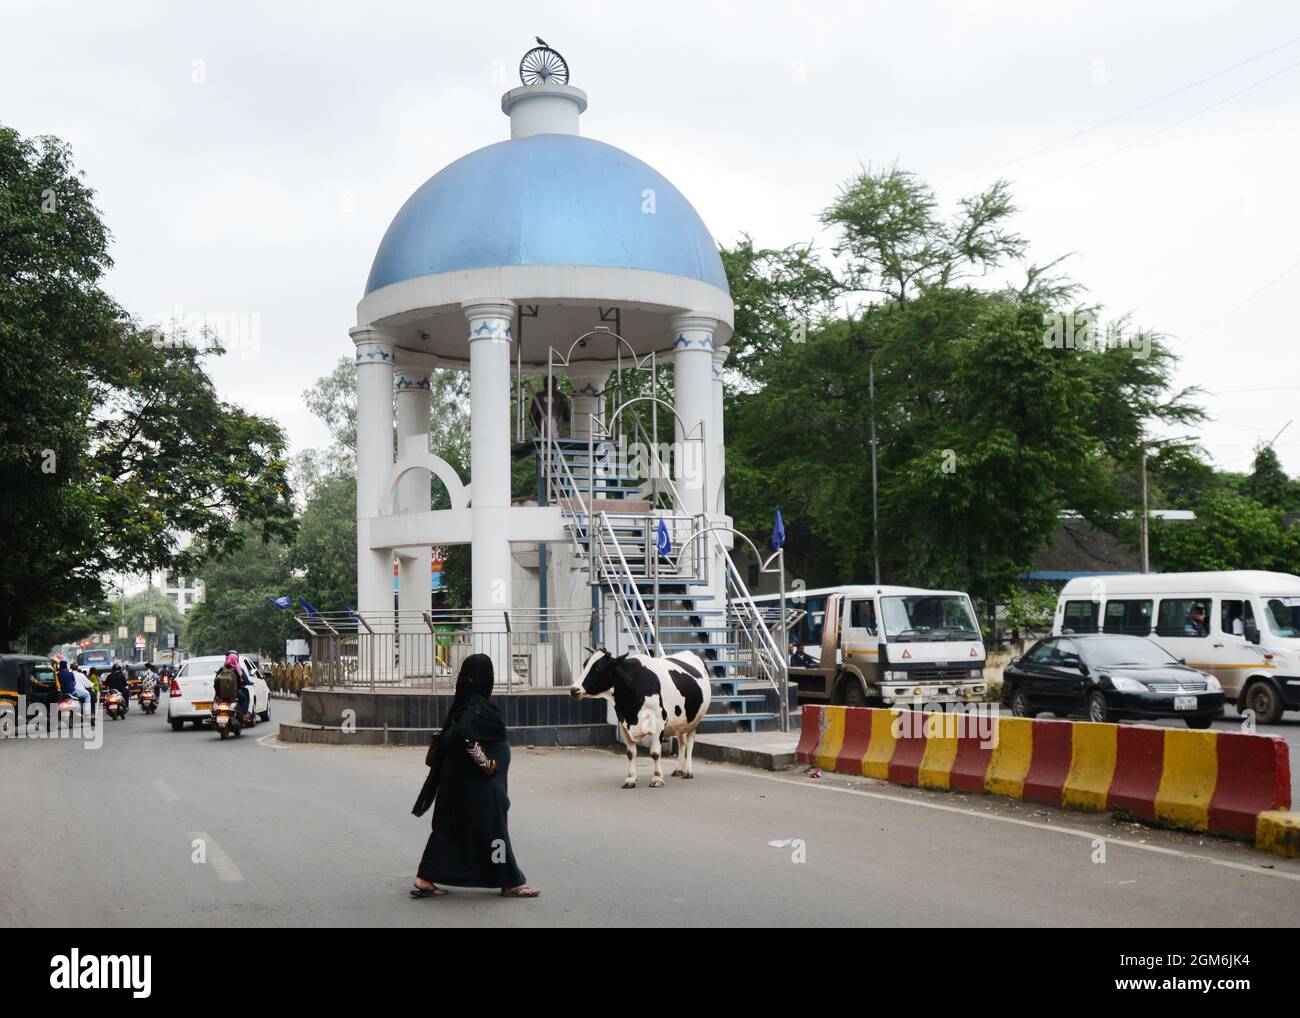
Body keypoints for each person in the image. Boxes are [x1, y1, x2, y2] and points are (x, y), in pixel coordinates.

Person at [410, 654, 539, 899]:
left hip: (454, 779)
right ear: (485, 678)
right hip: (478, 783)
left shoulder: (464, 704)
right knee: (495, 828)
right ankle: (509, 881)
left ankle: (425, 878)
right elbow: (465, 736)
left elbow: (458, 734)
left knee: (447, 827)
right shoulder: (478, 706)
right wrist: (486, 763)